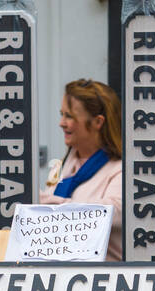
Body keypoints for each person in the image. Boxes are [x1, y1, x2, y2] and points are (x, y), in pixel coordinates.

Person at [38, 79, 124, 260]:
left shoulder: (122, 171)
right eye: (62, 114)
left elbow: (110, 212)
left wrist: (48, 206)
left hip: (104, 281)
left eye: (69, 116)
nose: (62, 123)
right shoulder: (60, 166)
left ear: (97, 122)